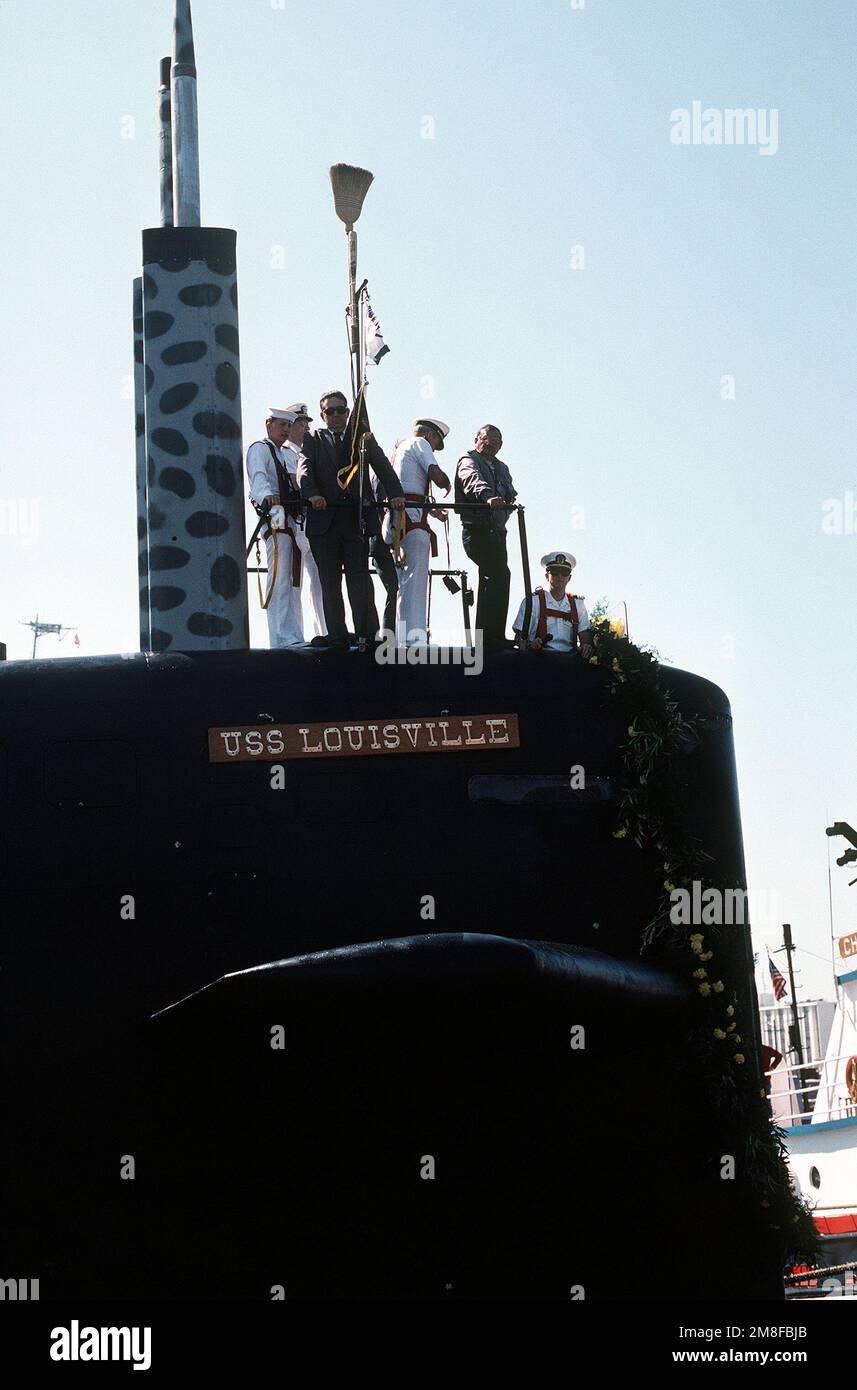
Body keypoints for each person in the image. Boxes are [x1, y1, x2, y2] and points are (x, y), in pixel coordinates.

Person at [296, 389, 404, 643]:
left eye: (340, 410)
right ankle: (338, 635)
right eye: (329, 411)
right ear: (322, 415)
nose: (336, 416)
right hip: (324, 520)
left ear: (348, 412)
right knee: (329, 582)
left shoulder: (362, 439)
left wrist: (396, 494)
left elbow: (384, 467)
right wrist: (311, 494)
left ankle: (368, 634)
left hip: (355, 518)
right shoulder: (313, 438)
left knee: (359, 579)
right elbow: (304, 468)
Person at [383, 419, 451, 643]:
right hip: (412, 519)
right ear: (430, 436)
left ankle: (403, 634)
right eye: (436, 444)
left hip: (396, 519)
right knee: (416, 578)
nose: (433, 449)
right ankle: (414, 636)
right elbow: (434, 473)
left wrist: (433, 511)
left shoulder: (398, 449)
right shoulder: (421, 444)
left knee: (404, 580)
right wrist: (447, 484)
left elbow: (407, 484)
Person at [245, 408, 305, 648]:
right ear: (269, 424)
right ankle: (281, 637)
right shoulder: (260, 448)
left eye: (289, 426)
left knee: (290, 578)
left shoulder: (282, 454)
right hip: (275, 515)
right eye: (282, 425)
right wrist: (268, 498)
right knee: (279, 574)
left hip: (289, 517)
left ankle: (292, 634)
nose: (286, 430)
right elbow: (258, 478)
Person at [455, 424, 517, 647]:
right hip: (476, 530)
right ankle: (486, 638)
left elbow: (510, 495)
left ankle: (494, 636)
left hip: (498, 533)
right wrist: (487, 497)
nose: (490, 443)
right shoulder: (468, 459)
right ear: (476, 440)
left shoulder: (502, 468)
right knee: (495, 573)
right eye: (486, 439)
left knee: (499, 576)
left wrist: (504, 512)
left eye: (496, 440)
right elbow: (471, 480)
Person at [281, 402, 327, 639]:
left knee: (320, 577)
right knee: (302, 579)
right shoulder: (286, 452)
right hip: (300, 523)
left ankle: (324, 629)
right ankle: (305, 632)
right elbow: (297, 483)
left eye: (307, 424)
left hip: (315, 522)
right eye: (301, 424)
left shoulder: (306, 454)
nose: (306, 429)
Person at [513, 551, 593, 657]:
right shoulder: (532, 602)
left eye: (564, 572)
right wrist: (530, 644)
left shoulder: (578, 605)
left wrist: (586, 648)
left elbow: (585, 641)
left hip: (569, 663)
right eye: (555, 571)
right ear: (547, 576)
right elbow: (519, 638)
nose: (560, 576)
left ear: (569, 578)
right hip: (537, 662)